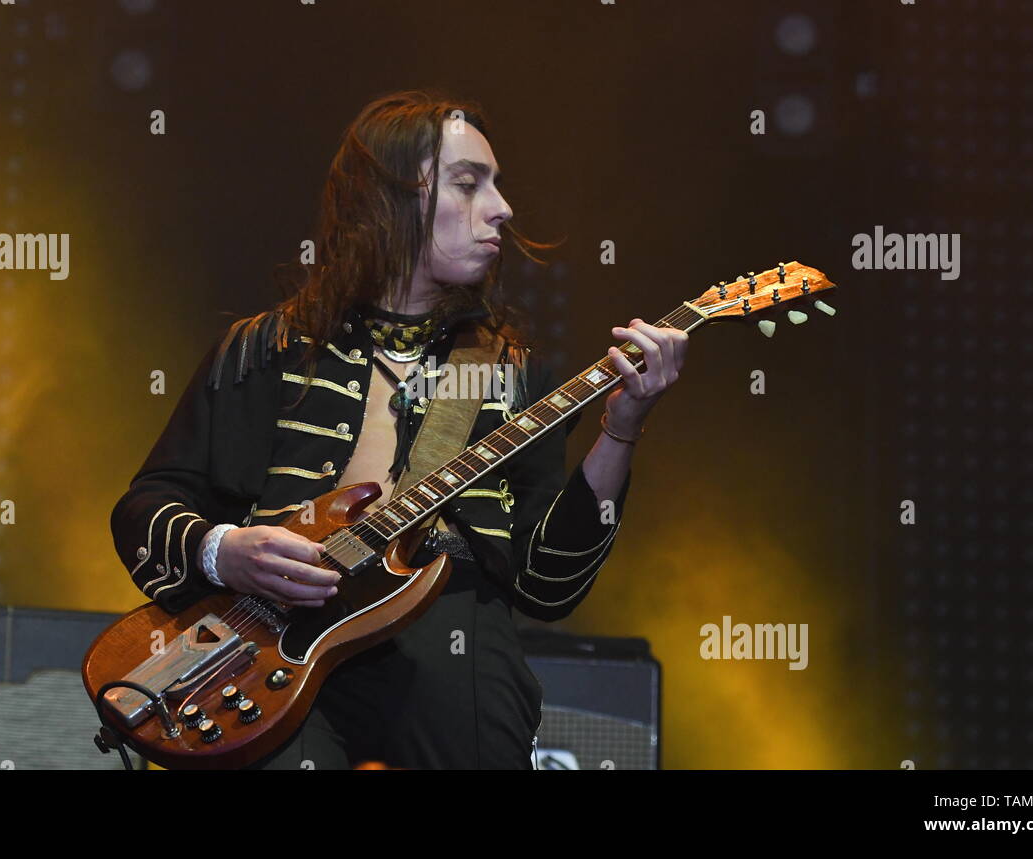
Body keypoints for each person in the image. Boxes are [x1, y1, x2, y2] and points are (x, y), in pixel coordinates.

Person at [109, 90, 689, 769]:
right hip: (270, 637)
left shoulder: (507, 375)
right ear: (391, 197)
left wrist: (620, 431)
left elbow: (545, 587)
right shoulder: (263, 349)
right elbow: (144, 509)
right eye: (470, 183)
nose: (502, 209)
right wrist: (225, 551)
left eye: (497, 186)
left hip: (451, 633)